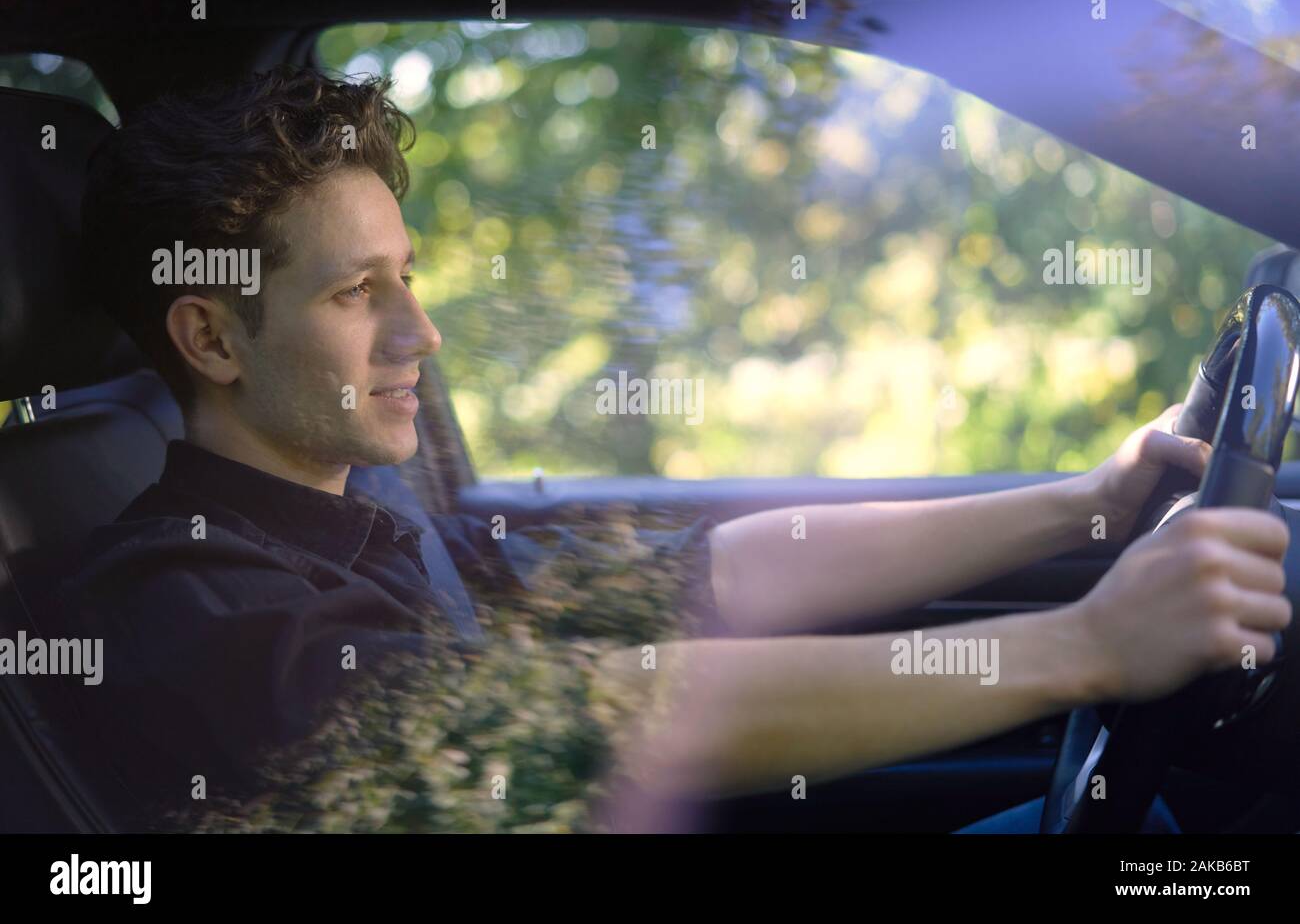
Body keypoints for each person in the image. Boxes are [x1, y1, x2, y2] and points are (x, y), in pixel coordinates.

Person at [64, 65, 1291, 831]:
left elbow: (712, 580)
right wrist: (1083, 645)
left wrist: (1084, 505)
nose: (419, 331)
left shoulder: (371, 523)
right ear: (211, 336)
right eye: (355, 296)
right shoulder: (180, 609)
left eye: (411, 278)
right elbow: (594, 719)